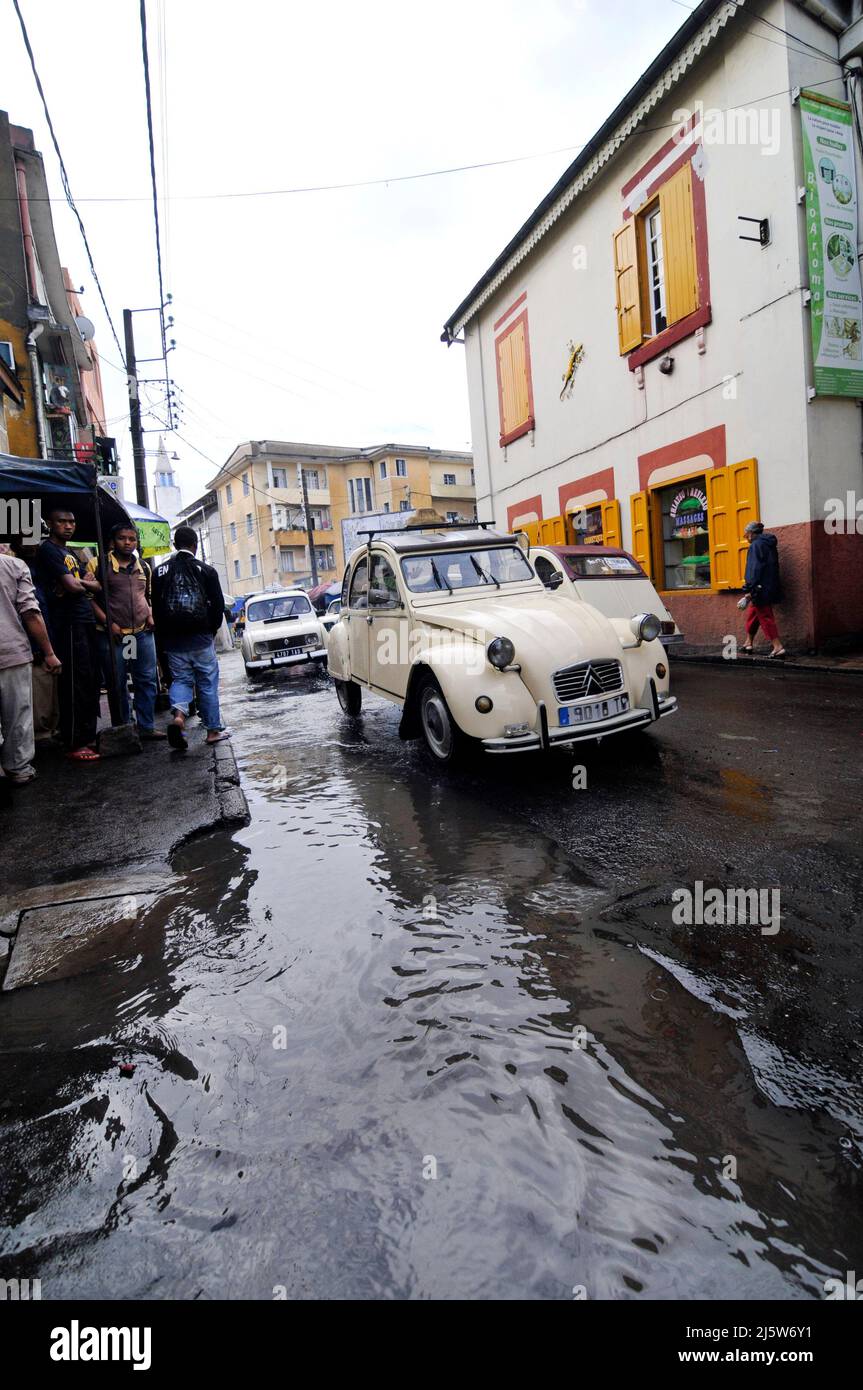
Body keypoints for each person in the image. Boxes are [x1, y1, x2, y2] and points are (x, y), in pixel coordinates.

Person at [32, 509, 103, 762]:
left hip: (84, 620)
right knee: (74, 682)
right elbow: (77, 585)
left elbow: (96, 585)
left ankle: (86, 734)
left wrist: (79, 583)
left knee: (90, 679)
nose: (68, 526)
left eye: (72, 521)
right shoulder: (48, 550)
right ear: (50, 524)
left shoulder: (70, 552)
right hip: (68, 623)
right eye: (62, 521)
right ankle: (75, 740)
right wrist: (81, 583)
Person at [151, 525, 229, 751]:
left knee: (181, 680)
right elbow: (218, 606)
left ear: (175, 545)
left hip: (174, 641)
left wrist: (164, 638)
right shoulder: (206, 570)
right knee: (207, 683)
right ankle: (213, 731)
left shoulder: (160, 572)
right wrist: (210, 630)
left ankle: (178, 717)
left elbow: (157, 608)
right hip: (201, 638)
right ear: (195, 545)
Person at [91, 524, 165, 740]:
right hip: (116, 635)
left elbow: (146, 596)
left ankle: (146, 726)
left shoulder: (143, 566)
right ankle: (125, 728)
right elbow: (89, 600)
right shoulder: (99, 565)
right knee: (118, 682)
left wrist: (150, 615)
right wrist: (108, 623)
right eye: (122, 538)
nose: (127, 543)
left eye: (132, 539)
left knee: (146, 680)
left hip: (140, 633)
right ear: (113, 541)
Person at [0, 549, 62, 804]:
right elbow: (31, 612)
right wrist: (48, 652)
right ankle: (19, 769)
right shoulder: (14, 565)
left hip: (12, 651)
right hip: (11, 650)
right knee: (18, 714)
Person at [740, 520, 786, 659]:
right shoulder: (768, 544)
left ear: (752, 534)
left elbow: (754, 569)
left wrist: (749, 590)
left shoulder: (755, 546)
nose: (746, 537)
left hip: (760, 588)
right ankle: (748, 642)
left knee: (765, 617)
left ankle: (777, 647)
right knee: (754, 614)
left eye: (746, 534)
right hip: (769, 585)